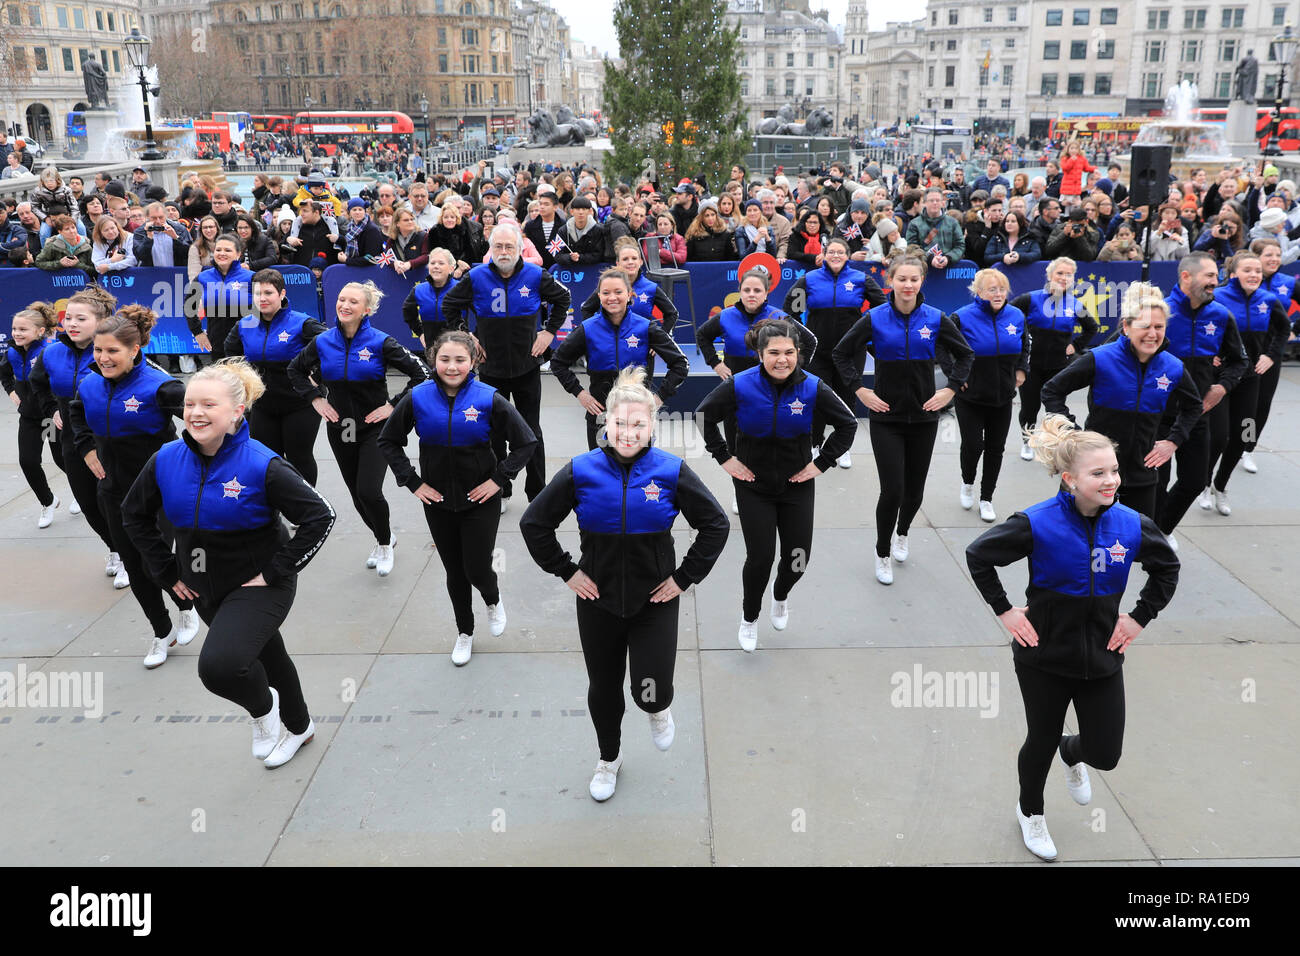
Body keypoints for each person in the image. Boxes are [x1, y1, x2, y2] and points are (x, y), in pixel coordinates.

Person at [966, 415, 1179, 861]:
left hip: (1103, 656)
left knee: (1105, 753)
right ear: (1069, 479)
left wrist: (1139, 618)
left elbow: (1167, 568)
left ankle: (1072, 752)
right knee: (1039, 738)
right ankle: (1031, 813)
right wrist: (1004, 610)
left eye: (1114, 471)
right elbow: (979, 555)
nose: (1111, 480)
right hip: (1042, 655)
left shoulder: (1131, 524)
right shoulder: (1036, 522)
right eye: (1098, 473)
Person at [520, 366, 728, 803]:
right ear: (605, 423)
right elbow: (534, 523)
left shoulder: (671, 471)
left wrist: (684, 577)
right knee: (604, 687)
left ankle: (657, 711)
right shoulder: (581, 470)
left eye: (638, 424)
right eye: (620, 423)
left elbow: (715, 524)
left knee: (649, 691)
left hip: (655, 600)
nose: (628, 432)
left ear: (652, 424)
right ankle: (608, 759)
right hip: (598, 600)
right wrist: (567, 570)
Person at [121, 360, 336, 768]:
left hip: (258, 583)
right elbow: (133, 514)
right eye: (189, 404)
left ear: (237, 411)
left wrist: (277, 570)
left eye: (208, 404)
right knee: (269, 656)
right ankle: (301, 726)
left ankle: (263, 710)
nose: (196, 413)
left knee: (221, 667)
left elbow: (321, 516)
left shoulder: (262, 464)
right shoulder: (166, 459)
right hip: (200, 583)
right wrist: (166, 571)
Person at [378, 330, 537, 665]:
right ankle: (465, 632)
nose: (452, 366)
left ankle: (492, 600)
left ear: (473, 361)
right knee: (454, 570)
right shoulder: (418, 397)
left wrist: (499, 480)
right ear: (433, 360)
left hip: (480, 499)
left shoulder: (489, 398)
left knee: (477, 567)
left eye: (460, 360)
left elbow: (526, 442)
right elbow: (388, 441)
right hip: (436, 501)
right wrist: (413, 483)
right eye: (445, 359)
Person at [697, 318, 855, 651]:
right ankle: (749, 617)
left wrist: (822, 463)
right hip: (753, 483)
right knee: (760, 557)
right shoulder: (740, 384)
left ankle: (780, 595)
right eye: (773, 352)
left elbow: (847, 424)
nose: (781, 359)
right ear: (759, 353)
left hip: (797, 482)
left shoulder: (812, 386)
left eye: (788, 352)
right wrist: (724, 458)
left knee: (798, 557)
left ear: (798, 353)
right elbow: (703, 416)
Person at [68, 305, 200, 667]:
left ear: (134, 350)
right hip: (113, 490)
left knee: (155, 562)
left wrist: (196, 459)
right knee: (133, 563)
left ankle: (187, 606)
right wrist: (86, 448)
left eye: (112, 351)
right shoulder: (90, 383)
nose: (103, 358)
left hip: (159, 491)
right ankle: (161, 632)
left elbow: (200, 416)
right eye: (98, 350)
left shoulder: (158, 385)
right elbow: (76, 412)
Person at [832, 256, 973, 584]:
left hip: (924, 417)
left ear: (922, 281)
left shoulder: (936, 319)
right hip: (886, 417)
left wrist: (950, 390)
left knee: (914, 491)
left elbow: (966, 354)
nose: (908, 285)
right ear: (890, 281)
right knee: (892, 490)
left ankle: (903, 533)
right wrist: (860, 391)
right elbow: (840, 353)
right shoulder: (874, 318)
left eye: (914, 279)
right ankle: (882, 552)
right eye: (902, 279)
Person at [287, 281, 430, 575]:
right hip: (341, 429)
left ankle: (385, 544)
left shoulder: (380, 341)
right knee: (356, 494)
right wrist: (315, 399)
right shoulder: (324, 341)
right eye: (341, 299)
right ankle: (384, 538)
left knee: (369, 491)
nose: (345, 305)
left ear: (366, 309)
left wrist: (392, 406)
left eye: (353, 301)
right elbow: (295, 370)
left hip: (375, 429)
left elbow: (422, 373)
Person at [1040, 284, 1203, 520]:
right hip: (1093, 472)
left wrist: (1173, 441)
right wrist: (1072, 434)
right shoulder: (1101, 357)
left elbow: (1194, 406)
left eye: (1159, 327)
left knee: (1134, 544)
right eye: (1145, 326)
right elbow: (1052, 390)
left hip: (1142, 475)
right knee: (1078, 539)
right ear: (1126, 327)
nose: (1152, 333)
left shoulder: (1173, 367)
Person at [440, 221, 571, 508]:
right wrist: (467, 335)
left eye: (509, 246)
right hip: (490, 369)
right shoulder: (476, 277)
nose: (503, 251)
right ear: (490, 250)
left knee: (531, 431)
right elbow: (449, 304)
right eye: (498, 246)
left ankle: (537, 494)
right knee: (493, 433)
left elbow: (563, 299)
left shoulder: (536, 275)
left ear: (520, 249)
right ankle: (500, 490)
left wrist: (549, 332)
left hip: (527, 367)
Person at [27, 287, 123, 582]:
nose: (72, 323)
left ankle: (131, 555)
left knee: (114, 502)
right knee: (89, 504)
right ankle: (116, 551)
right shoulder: (52, 353)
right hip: (72, 437)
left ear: (102, 320)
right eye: (68, 317)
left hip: (111, 438)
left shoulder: (115, 349)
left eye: (81, 318)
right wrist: (50, 410)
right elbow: (38, 383)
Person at [1153, 253, 1248, 542]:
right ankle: (1150, 536)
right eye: (1208, 276)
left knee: (1194, 481)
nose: (1214, 281)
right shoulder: (1160, 312)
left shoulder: (1220, 315)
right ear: (1186, 276)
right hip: (1157, 414)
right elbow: (1119, 349)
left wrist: (1221, 388)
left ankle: (1161, 529)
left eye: (1215, 276)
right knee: (1155, 482)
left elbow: (1239, 360)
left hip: (1196, 415)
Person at [552, 268, 689, 449]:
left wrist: (659, 398)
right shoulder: (588, 329)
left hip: (637, 416)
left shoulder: (645, 327)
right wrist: (580, 393)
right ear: (599, 296)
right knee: (601, 472)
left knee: (638, 472)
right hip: (600, 415)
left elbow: (680, 364)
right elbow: (557, 362)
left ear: (629, 294)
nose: (612, 297)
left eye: (618, 292)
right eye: (606, 293)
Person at [782, 236, 886, 464]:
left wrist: (866, 334)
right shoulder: (809, 279)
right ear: (824, 255)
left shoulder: (861, 279)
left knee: (846, 398)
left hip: (851, 352)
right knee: (817, 397)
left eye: (840, 252)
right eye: (831, 252)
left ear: (847, 255)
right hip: (818, 352)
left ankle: (842, 447)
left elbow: (883, 309)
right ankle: (815, 444)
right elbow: (790, 310)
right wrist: (800, 339)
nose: (836, 256)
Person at [223, 269, 327, 486]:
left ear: (282, 294)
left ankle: (308, 511)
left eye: (268, 293)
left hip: (300, 404)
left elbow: (332, 347)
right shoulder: (245, 324)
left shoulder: (302, 323)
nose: (262, 298)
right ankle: (272, 512)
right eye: (257, 293)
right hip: (262, 405)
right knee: (267, 459)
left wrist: (318, 377)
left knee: (299, 457)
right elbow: (230, 354)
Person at [1205, 251, 1290, 514]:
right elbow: (1199, 328)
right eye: (1247, 270)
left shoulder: (1269, 299)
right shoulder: (1217, 297)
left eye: (1257, 271)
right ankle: (1204, 485)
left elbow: (1283, 328)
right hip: (1221, 380)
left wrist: (1271, 355)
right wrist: (1210, 356)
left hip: (1251, 379)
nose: (1254, 274)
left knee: (1245, 434)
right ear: (1233, 274)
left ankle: (1221, 486)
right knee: (1219, 437)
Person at [944, 269, 1031, 522]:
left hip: (1003, 395)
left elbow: (1026, 343)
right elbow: (943, 347)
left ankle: (986, 498)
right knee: (973, 445)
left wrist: (1022, 369)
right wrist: (954, 377)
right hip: (970, 395)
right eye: (992, 289)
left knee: (996, 448)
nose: (998, 294)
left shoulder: (1016, 315)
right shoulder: (961, 316)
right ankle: (967, 482)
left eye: (1002, 289)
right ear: (978, 291)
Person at [1012, 257, 1098, 457]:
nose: (1063, 278)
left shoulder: (1075, 304)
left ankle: (1052, 444)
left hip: (1058, 366)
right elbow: (1010, 316)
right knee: (1030, 406)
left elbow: (1091, 328)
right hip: (1031, 365)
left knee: (1054, 407)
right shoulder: (1030, 298)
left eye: (1069, 274)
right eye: (1060, 273)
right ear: (1050, 275)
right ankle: (1029, 441)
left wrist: (1075, 345)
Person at [1, 302, 65, 528]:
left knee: (61, 459)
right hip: (28, 417)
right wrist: (11, 391)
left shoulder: (50, 351)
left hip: (50, 418)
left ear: (39, 331)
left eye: (23, 329)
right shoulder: (11, 351)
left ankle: (81, 490)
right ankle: (48, 502)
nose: (17, 333)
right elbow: (5, 374)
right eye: (15, 329)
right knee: (28, 461)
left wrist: (59, 409)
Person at [1246, 237, 1298, 473]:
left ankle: (1246, 447)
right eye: (1269, 254)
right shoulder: (1241, 281)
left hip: (1271, 352)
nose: (1274, 259)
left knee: (1261, 403)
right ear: (1255, 256)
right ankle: (1230, 441)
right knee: (1239, 403)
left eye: (1278, 255)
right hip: (1242, 350)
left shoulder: (1287, 282)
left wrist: (1295, 329)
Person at [187, 234, 255, 362]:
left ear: (238, 254)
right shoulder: (203, 277)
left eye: (228, 250)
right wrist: (197, 332)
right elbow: (189, 306)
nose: (222, 253)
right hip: (218, 344)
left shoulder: (252, 277)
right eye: (218, 250)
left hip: (247, 344)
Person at [402, 248, 459, 350]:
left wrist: (473, 335)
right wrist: (420, 333)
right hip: (431, 349)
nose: (436, 266)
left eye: (441, 263)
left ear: (451, 268)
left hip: (458, 347)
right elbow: (407, 312)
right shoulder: (419, 290)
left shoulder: (461, 288)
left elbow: (480, 310)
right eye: (432, 263)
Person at [904, 188, 965, 269]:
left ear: (942, 202)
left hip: (949, 269)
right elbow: (912, 249)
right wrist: (929, 259)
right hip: (924, 270)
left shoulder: (953, 223)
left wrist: (948, 258)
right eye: (931, 200)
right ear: (925, 203)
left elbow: (960, 246)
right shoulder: (914, 224)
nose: (935, 203)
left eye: (937, 200)